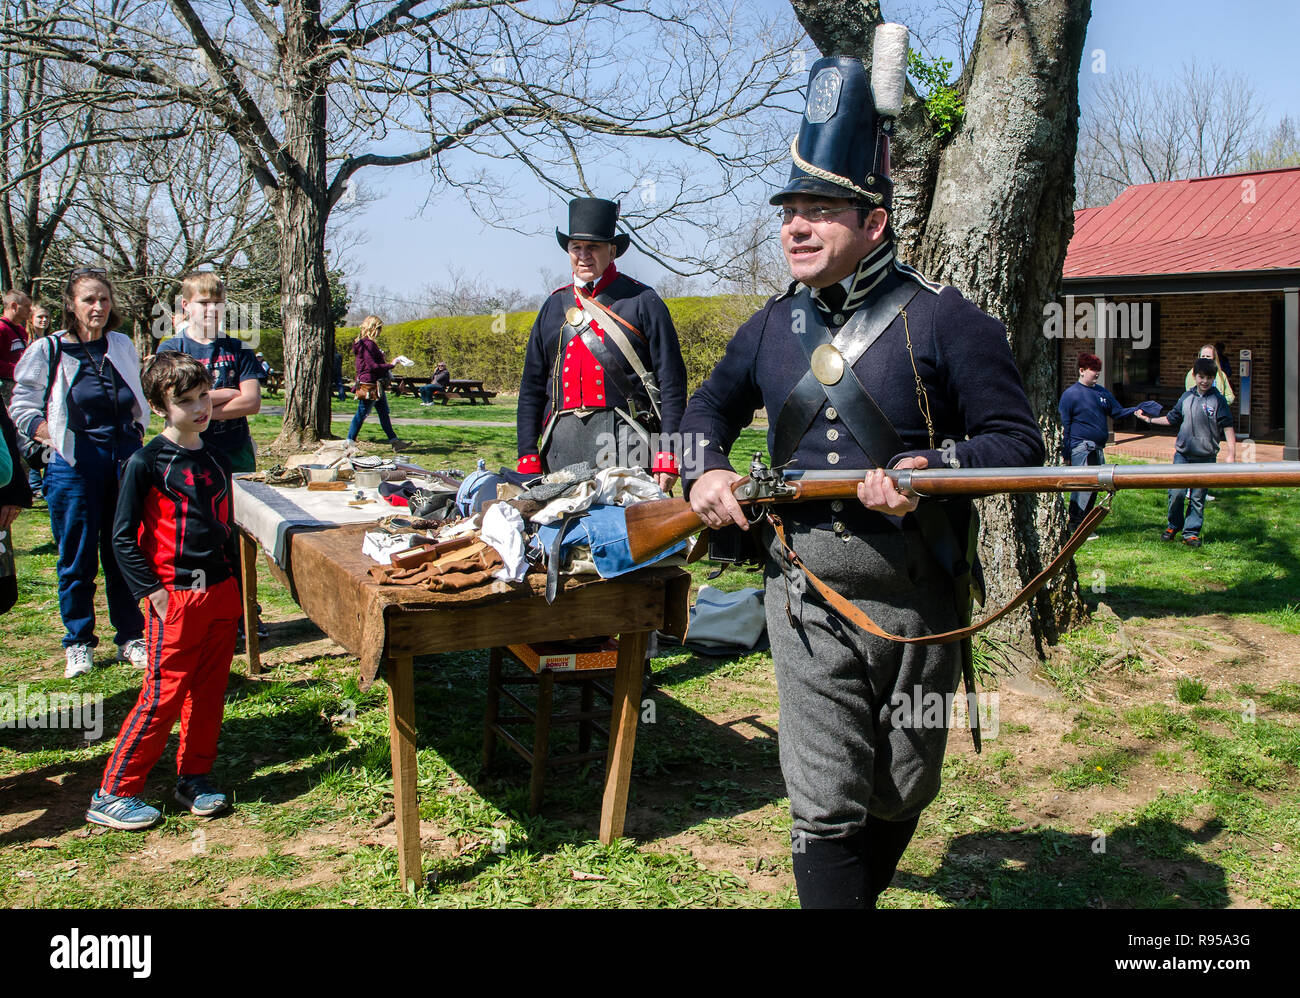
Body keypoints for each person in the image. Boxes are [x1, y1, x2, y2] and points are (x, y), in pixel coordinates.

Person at [680, 53, 1044, 908]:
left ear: (874, 222)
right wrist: (707, 470)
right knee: (823, 797)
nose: (795, 229)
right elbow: (703, 413)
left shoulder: (947, 318)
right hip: (803, 596)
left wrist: (933, 471)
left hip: (918, 597)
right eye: (789, 213)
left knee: (903, 785)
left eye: (819, 212)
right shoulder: (769, 327)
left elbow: (1017, 444)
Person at [87, 351, 242, 830]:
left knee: (209, 692)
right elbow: (121, 537)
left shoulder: (217, 458)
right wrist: (152, 591)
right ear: (158, 407)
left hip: (220, 594)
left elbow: (225, 529)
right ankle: (115, 790)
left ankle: (194, 778)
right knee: (163, 695)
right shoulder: (145, 462)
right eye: (185, 400)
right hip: (174, 598)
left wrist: (237, 589)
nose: (199, 408)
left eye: (204, 396)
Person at [9, 269, 149, 677]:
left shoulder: (121, 344)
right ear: (71, 305)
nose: (98, 307)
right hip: (73, 470)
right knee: (77, 559)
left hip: (123, 467)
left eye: (104, 299)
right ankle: (79, 641)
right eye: (89, 299)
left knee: (123, 553)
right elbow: (21, 405)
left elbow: (137, 397)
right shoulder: (48, 349)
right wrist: (50, 436)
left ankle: (131, 636)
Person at [516, 197, 687, 491]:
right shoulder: (553, 305)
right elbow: (532, 386)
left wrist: (668, 453)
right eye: (576, 247)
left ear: (612, 250)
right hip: (561, 443)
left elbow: (672, 382)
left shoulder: (643, 301)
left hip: (627, 440)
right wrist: (528, 454)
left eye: (593, 247)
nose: (583, 256)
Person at [156, 272, 262, 474]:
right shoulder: (171, 350)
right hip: (185, 450)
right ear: (186, 305)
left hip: (235, 451)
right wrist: (229, 394)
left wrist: (195, 410)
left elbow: (251, 402)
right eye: (204, 303)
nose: (212, 309)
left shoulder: (239, 349)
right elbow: (173, 403)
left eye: (218, 303)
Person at [1137, 356, 1236, 547]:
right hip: (1182, 455)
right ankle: (1173, 525)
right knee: (1177, 493)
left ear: (1214, 378)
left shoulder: (1218, 400)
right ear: (1194, 376)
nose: (1204, 381)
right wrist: (1148, 420)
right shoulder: (1186, 397)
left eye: (1209, 378)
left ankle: (1191, 533)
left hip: (1206, 457)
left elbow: (1228, 427)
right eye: (1201, 377)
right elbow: (1171, 418)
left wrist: (1232, 453)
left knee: (1197, 497)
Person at [1058, 352, 1155, 536]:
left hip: (1098, 448)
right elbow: (1065, 425)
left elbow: (1117, 412)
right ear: (1081, 370)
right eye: (1093, 370)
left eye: (1098, 370)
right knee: (1083, 487)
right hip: (1082, 448)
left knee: (1095, 487)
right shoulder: (1071, 395)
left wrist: (1136, 410)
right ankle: (1076, 525)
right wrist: (1067, 452)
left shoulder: (1102, 393)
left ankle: (1084, 526)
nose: (1097, 373)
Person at [347, 315, 407, 451]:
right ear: (373, 328)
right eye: (379, 328)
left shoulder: (363, 344)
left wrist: (381, 357)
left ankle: (395, 442)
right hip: (370, 384)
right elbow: (372, 366)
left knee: (383, 412)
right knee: (362, 413)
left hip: (374, 383)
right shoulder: (368, 344)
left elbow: (367, 363)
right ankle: (349, 442)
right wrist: (392, 364)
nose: (380, 332)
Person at [0, 289, 32, 409]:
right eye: (26, 306)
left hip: (19, 386)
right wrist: (18, 369)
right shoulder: (1, 329)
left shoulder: (22, 331)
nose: (30, 310)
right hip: (4, 387)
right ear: (14, 306)